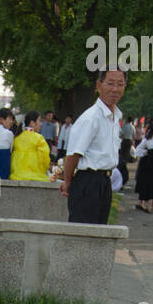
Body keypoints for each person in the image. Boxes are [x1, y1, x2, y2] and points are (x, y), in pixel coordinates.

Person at [60, 68, 126, 224]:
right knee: (83, 234)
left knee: (100, 233)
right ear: (98, 85)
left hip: (104, 182)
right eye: (110, 83)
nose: (115, 89)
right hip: (88, 183)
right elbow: (73, 155)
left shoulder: (115, 117)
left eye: (120, 84)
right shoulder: (91, 118)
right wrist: (68, 181)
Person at [10, 111, 51, 180]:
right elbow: (44, 159)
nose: (40, 124)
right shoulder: (39, 138)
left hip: (16, 175)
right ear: (32, 123)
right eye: (39, 121)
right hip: (35, 176)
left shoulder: (17, 138)